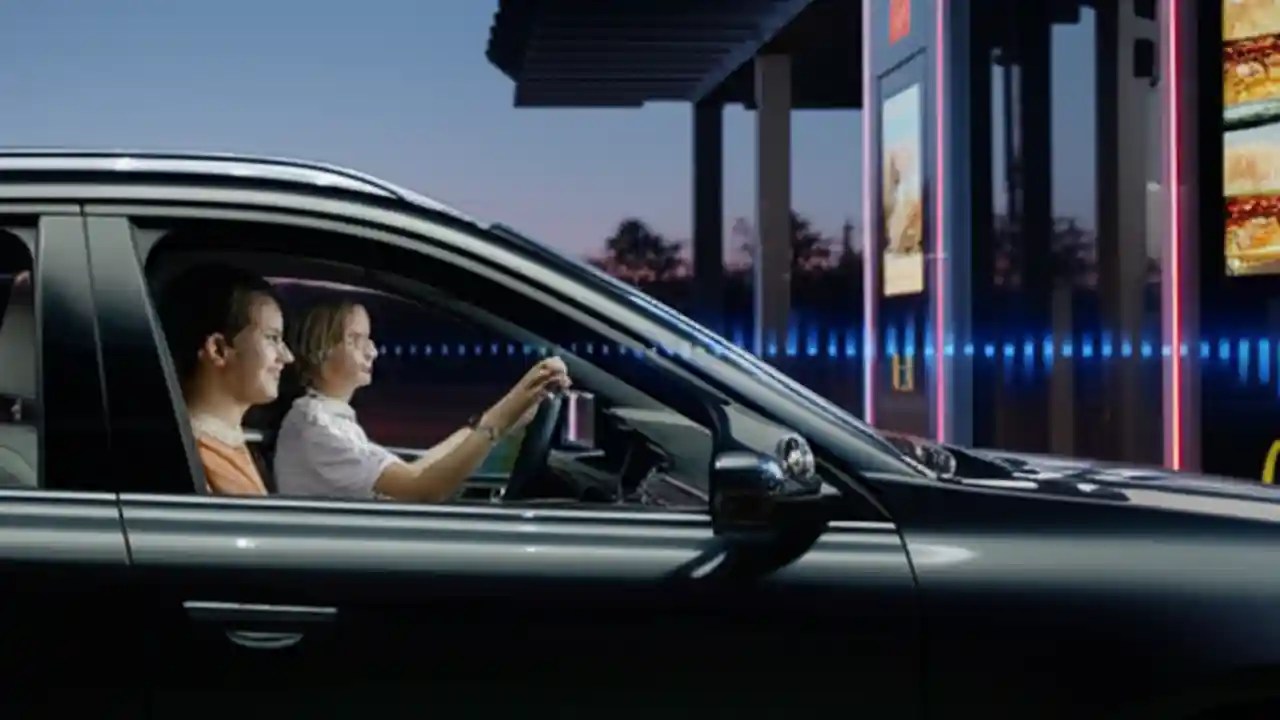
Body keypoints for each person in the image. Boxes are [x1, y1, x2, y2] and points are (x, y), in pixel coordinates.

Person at [273, 298, 569, 502]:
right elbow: (424, 488)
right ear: (319, 351)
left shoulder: (327, 421)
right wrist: (499, 419)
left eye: (369, 339)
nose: (372, 351)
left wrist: (505, 418)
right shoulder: (319, 429)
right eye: (355, 339)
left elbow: (417, 471)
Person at [157, 264, 295, 496]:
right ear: (218, 349)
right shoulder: (196, 458)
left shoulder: (223, 444)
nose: (287, 357)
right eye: (272, 338)